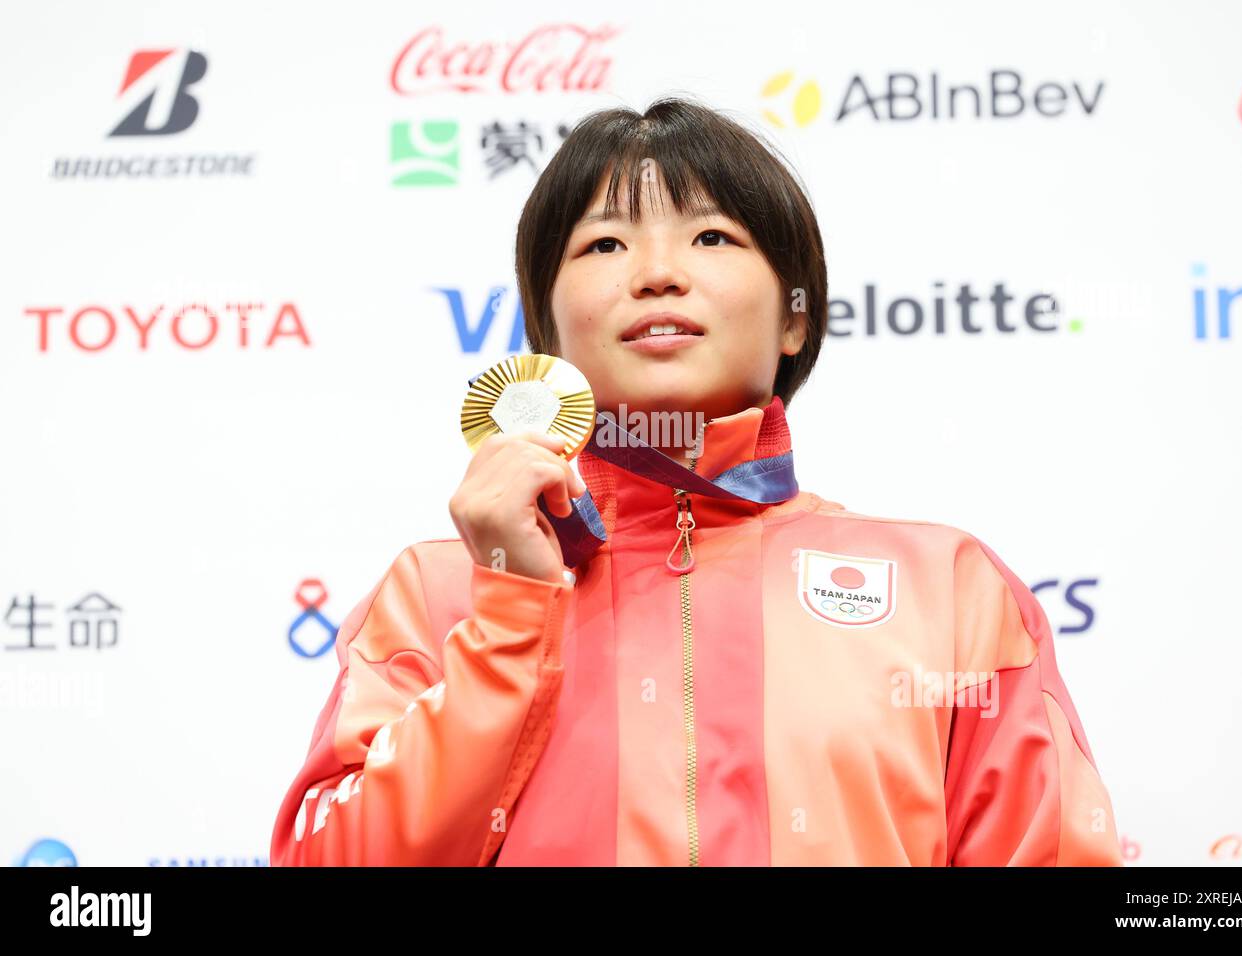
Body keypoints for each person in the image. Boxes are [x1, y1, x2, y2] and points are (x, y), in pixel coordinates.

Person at [269, 96, 1123, 867]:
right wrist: (508, 616)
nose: (656, 273)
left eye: (711, 236)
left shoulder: (949, 589)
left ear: (796, 317)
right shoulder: (441, 590)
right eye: (604, 243)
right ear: (548, 329)